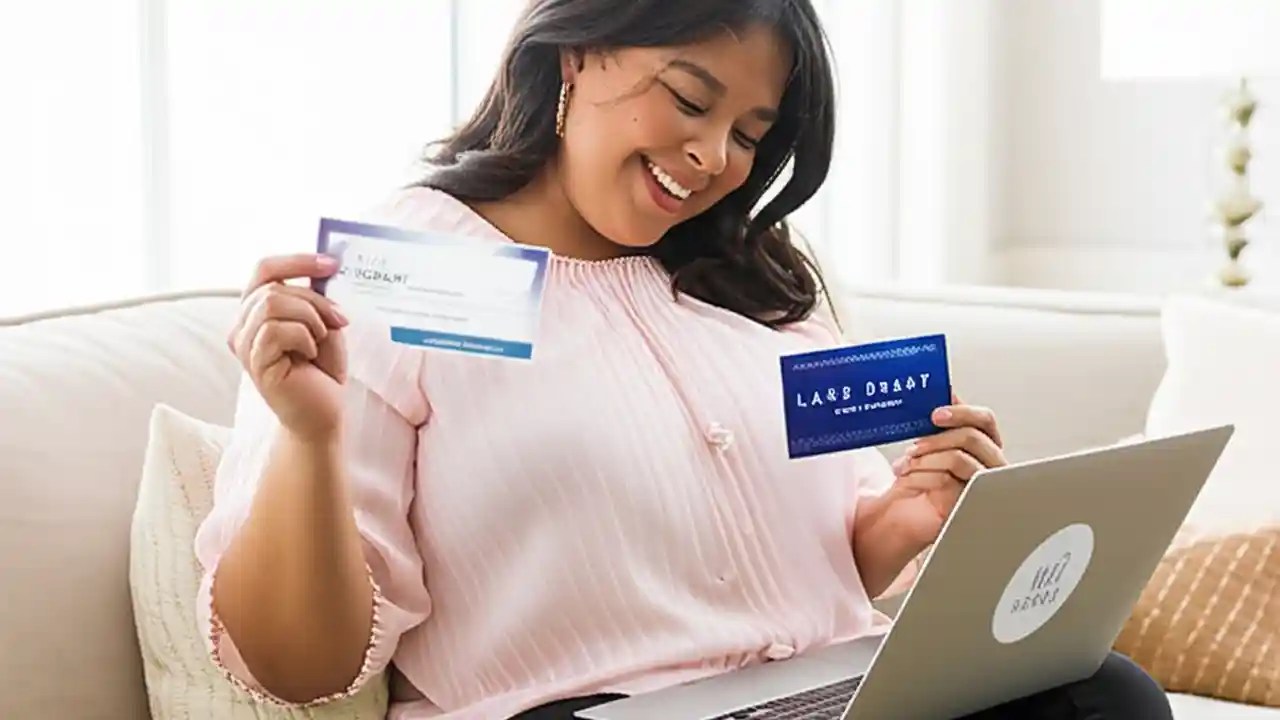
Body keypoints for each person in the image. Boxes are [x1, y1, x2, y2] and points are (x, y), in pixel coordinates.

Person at [195, 0, 1174, 718]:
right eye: (688, 100)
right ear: (578, 52)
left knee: (1104, 694)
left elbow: (806, 568)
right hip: (590, 709)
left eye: (750, 135)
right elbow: (299, 667)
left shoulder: (755, 280)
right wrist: (308, 444)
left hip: (827, 693)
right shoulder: (397, 275)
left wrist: (898, 521)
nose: (712, 158)